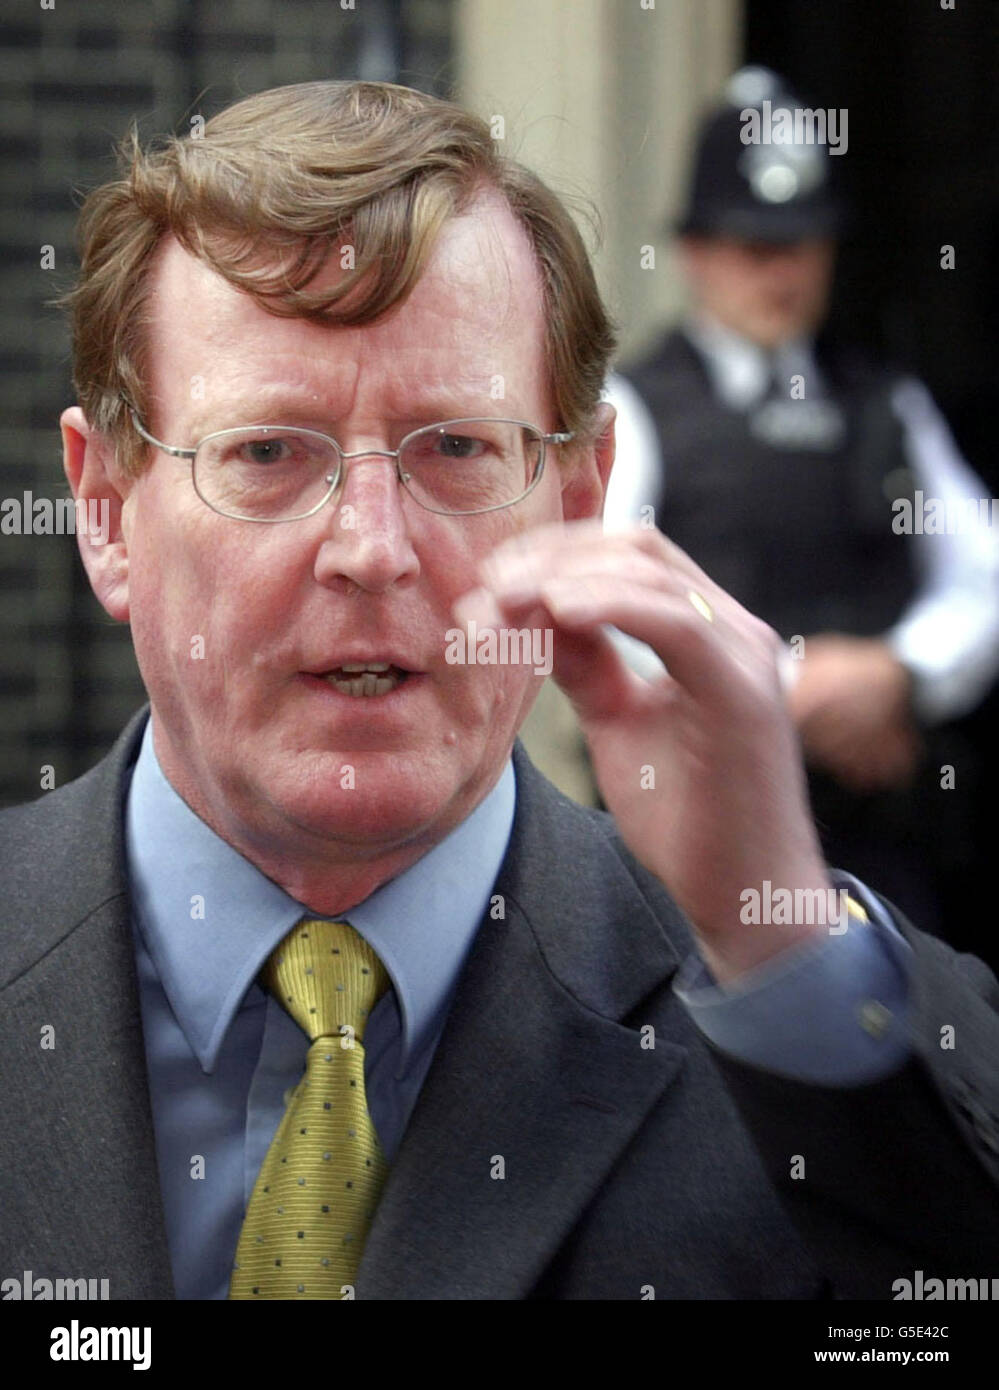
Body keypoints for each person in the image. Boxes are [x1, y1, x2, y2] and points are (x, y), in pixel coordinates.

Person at [1, 79, 997, 1303]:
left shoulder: (777, 1010)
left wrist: (775, 937)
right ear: (105, 512)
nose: (372, 545)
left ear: (578, 499)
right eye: (267, 451)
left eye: (456, 449)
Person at [609, 67, 999, 939]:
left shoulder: (886, 401)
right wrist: (788, 693)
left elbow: (983, 576)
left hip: (880, 849)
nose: (779, 273)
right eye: (753, 247)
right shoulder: (634, 406)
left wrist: (900, 675)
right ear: (696, 250)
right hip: (699, 852)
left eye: (800, 245)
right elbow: (609, 609)